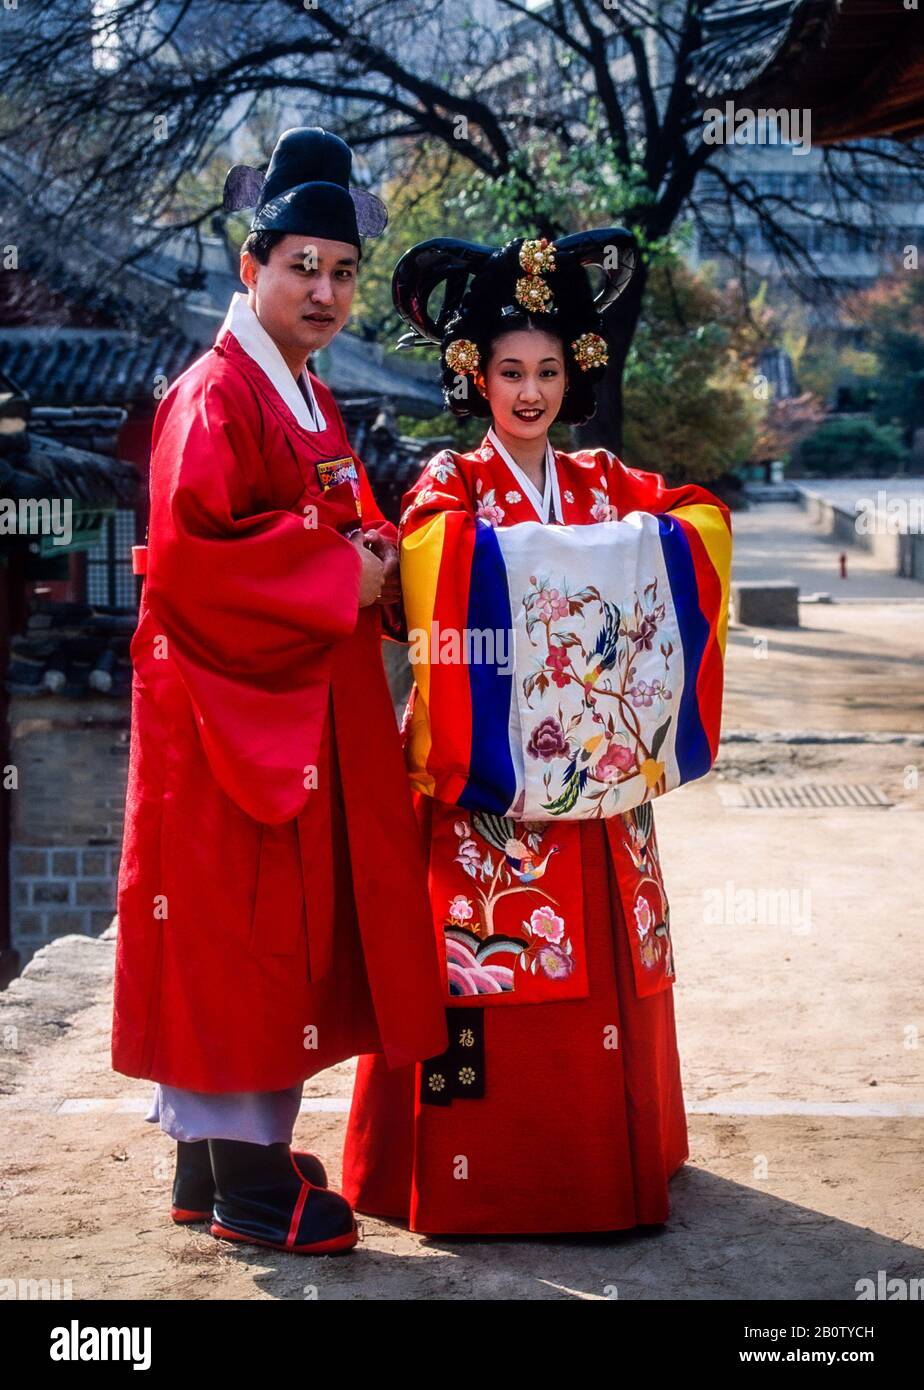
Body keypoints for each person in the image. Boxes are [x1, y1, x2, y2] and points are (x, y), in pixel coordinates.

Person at [341, 230, 732, 1234]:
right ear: (477, 374)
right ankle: (478, 1177)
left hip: (597, 784)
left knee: (598, 968)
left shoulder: (605, 481)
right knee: (482, 961)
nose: (530, 391)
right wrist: (591, 568)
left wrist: (596, 557)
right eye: (510, 369)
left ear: (574, 374)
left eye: (549, 370)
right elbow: (428, 573)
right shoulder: (452, 486)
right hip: (489, 781)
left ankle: (610, 1166)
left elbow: (697, 525)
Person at [111, 128, 447, 1256]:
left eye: (344, 272)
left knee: (271, 937)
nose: (325, 289)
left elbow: (336, 515)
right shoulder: (216, 397)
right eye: (303, 264)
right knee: (242, 937)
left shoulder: (300, 390)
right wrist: (333, 567)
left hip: (288, 706)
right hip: (228, 713)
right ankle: (251, 1185)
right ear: (252, 266)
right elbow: (199, 560)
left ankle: (215, 1164)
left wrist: (371, 547)